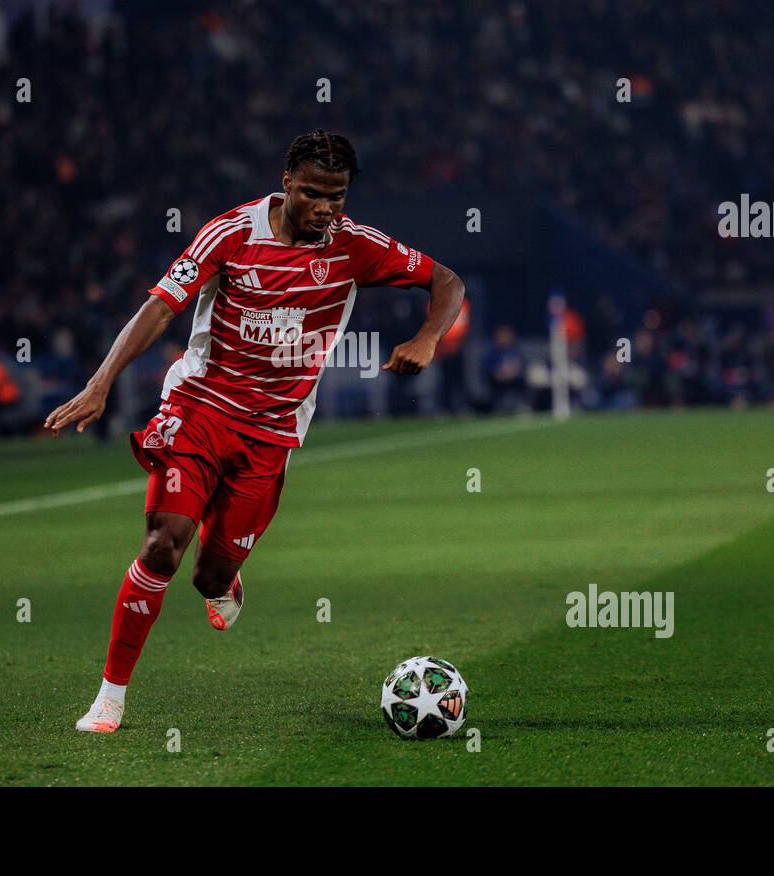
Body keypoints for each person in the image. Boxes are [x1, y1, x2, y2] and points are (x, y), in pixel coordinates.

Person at [45, 130, 466, 733]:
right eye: (316, 195)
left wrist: (428, 337)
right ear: (287, 182)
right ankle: (109, 698)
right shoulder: (231, 234)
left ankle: (224, 580)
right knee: (163, 544)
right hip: (200, 409)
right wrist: (102, 381)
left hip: (273, 432)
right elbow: (160, 307)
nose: (328, 209)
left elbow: (447, 280)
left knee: (208, 575)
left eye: (339, 197)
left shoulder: (354, 246)